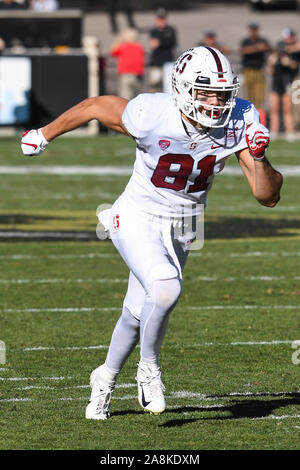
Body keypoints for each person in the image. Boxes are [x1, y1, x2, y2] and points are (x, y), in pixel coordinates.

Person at [21, 46, 283, 420]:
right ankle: (149, 368)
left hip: (186, 224)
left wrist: (258, 156)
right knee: (165, 287)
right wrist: (44, 134)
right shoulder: (152, 112)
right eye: (206, 92)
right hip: (135, 214)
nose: (216, 102)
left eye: (222, 93)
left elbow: (267, 196)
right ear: (182, 88)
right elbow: (96, 106)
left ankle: (105, 379)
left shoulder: (239, 119)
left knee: (138, 311)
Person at [268, 28, 300, 139]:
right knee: (274, 109)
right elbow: (270, 71)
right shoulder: (274, 58)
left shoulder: (289, 57)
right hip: (276, 84)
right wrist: (271, 62)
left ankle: (289, 131)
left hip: (286, 83)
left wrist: (288, 61)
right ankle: (274, 131)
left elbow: (294, 66)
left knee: (287, 109)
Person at [240, 23, 271, 124]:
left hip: (259, 70)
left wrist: (262, 47)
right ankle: (249, 120)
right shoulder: (246, 41)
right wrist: (257, 48)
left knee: (259, 96)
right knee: (249, 96)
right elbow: (243, 51)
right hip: (249, 71)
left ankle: (260, 121)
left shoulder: (262, 40)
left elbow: (269, 48)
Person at [110, 28, 145, 101]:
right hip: (137, 75)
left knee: (125, 99)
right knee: (136, 99)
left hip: (126, 75)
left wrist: (119, 39)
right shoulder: (139, 47)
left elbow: (112, 51)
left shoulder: (123, 47)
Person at [148, 8, 177, 92]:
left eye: (162, 18)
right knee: (155, 86)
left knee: (168, 87)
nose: (161, 20)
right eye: (159, 18)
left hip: (168, 62)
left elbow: (171, 42)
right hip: (156, 63)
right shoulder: (153, 31)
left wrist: (160, 42)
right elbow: (153, 45)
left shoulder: (170, 30)